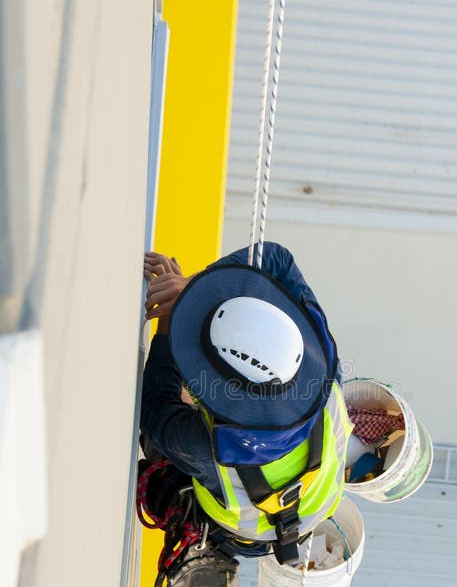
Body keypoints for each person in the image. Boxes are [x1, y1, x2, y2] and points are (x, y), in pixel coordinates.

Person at [140, 242, 353, 566]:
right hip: (316, 503)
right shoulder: (323, 362)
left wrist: (170, 322)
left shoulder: (210, 451)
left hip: (245, 529)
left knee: (160, 447)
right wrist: (193, 287)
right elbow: (276, 259)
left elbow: (155, 408)